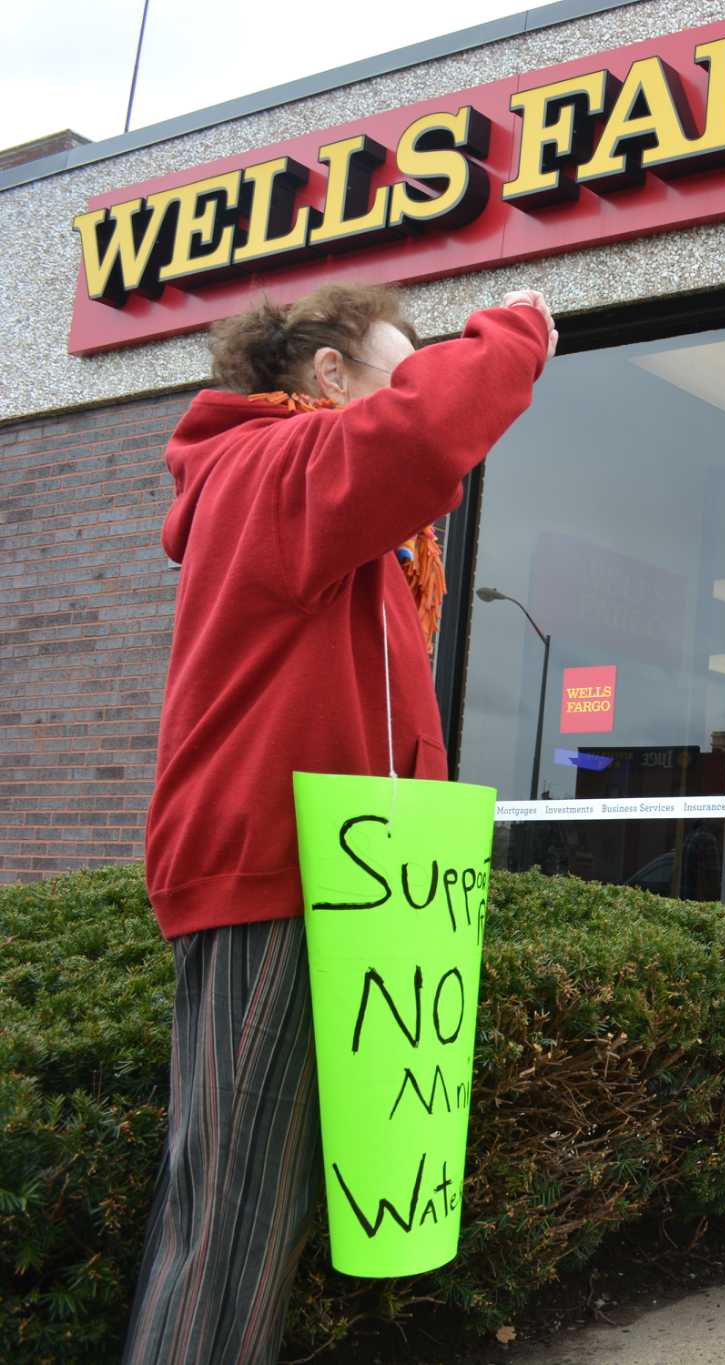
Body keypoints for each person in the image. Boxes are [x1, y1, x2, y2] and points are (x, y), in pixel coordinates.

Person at [126, 284, 556, 1364]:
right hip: (276, 870)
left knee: (257, 1213)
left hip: (335, 882)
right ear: (328, 380)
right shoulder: (273, 468)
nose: (413, 382)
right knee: (230, 1219)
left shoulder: (335, 524)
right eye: (397, 364)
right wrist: (512, 335)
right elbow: (418, 433)